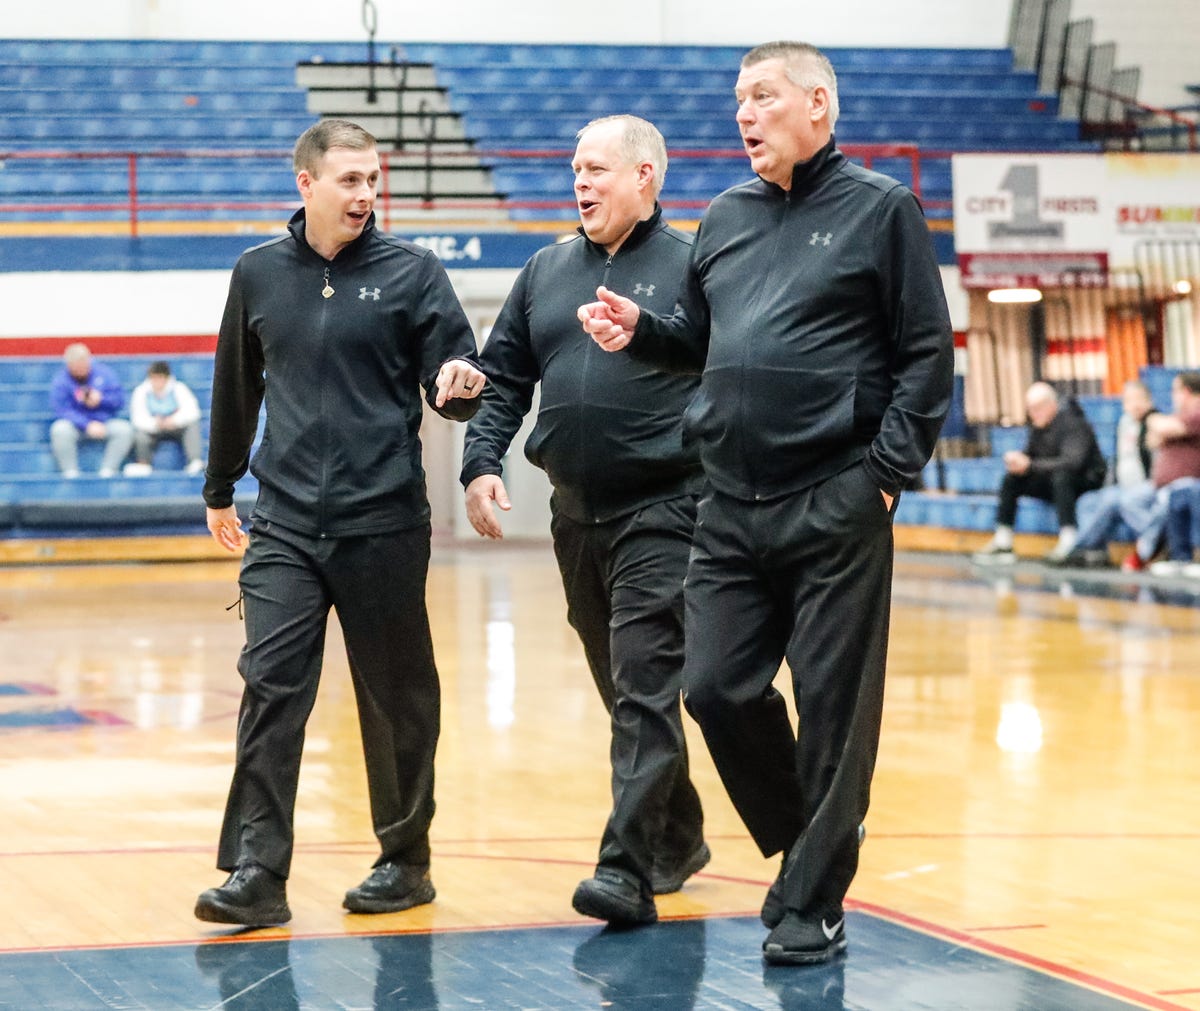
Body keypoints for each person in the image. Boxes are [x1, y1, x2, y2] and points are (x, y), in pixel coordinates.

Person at [578, 41, 953, 964]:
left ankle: (811, 902)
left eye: (762, 96)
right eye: (739, 99)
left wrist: (883, 476)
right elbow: (700, 340)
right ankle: (808, 848)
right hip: (728, 502)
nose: (744, 114)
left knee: (831, 712)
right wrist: (644, 331)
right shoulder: (726, 216)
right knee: (714, 688)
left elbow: (926, 355)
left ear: (817, 103)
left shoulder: (883, 208)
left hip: (835, 498)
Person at [194, 119, 486, 927]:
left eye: (373, 180)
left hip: (383, 520)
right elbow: (236, 384)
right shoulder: (258, 272)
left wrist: (462, 384)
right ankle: (257, 871)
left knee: (397, 697)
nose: (365, 194)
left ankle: (405, 860)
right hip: (285, 523)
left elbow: (457, 373)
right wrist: (220, 486)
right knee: (270, 685)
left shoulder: (413, 272)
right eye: (350, 179)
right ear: (307, 184)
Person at [461, 115, 708, 927]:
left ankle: (624, 869)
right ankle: (679, 834)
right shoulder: (545, 269)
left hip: (666, 510)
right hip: (575, 517)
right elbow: (504, 378)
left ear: (645, 177)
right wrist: (481, 462)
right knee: (626, 689)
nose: (580, 181)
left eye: (597, 168)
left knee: (642, 684)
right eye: (575, 168)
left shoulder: (695, 266)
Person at [973, 382, 1107, 564]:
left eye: (1036, 408)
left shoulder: (1074, 423)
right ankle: (1003, 540)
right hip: (1053, 481)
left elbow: (1073, 463)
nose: (1032, 414)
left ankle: (1069, 540)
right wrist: (1019, 462)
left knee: (1062, 477)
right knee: (1012, 479)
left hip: (1085, 480)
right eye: (1030, 409)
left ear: (1051, 404)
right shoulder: (1038, 426)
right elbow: (1031, 457)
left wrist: (1030, 465)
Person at [1054, 379, 1157, 568]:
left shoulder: (1155, 422)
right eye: (1128, 400)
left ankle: (1078, 547)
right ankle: (1096, 551)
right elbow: (1118, 460)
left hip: (1147, 486)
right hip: (1122, 486)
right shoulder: (1124, 423)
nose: (1133, 405)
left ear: (1148, 401)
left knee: (1111, 501)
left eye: (1137, 399)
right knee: (1087, 501)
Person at [48, 342, 134, 477]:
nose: (80, 370)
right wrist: (86, 424)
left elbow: (120, 401)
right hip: (76, 426)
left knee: (124, 430)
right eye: (76, 367)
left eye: (83, 365)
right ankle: (70, 473)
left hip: (104, 423)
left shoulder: (105, 374)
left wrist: (101, 400)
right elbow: (61, 410)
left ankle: (108, 472)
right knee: (59, 429)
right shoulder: (61, 381)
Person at [127, 360, 205, 475]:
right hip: (153, 430)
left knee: (192, 426)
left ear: (167, 378)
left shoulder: (179, 389)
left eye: (160, 378)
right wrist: (156, 423)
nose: (157, 382)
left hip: (176, 427)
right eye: (154, 378)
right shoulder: (141, 392)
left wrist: (173, 421)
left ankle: (195, 461)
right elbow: (137, 419)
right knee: (141, 435)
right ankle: (143, 464)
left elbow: (193, 412)